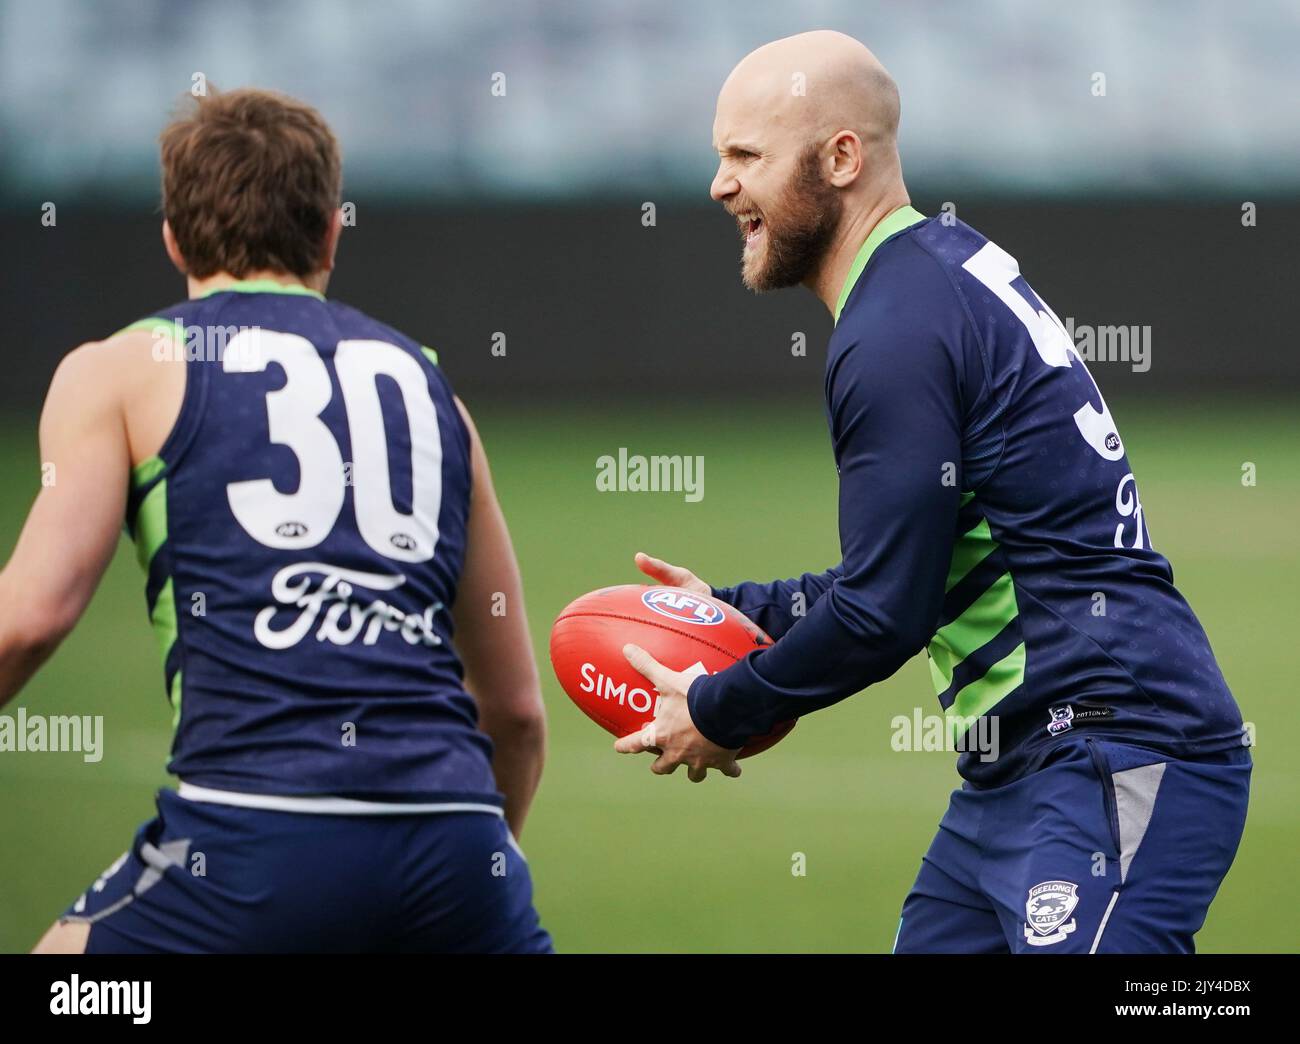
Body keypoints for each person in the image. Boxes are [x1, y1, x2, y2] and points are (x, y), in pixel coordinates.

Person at [619, 30, 1251, 954]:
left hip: (1114, 746)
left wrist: (722, 707)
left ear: (841, 158)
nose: (720, 184)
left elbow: (885, 612)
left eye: (745, 155)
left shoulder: (894, 330)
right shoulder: (933, 273)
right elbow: (907, 569)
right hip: (1021, 775)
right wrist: (734, 610)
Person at [0, 87, 551, 953]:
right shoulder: (430, 386)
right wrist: (481, 864)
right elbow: (515, 711)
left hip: (249, 842)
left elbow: (26, 620)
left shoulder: (117, 370)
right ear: (332, 230)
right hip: (457, 845)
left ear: (173, 238)